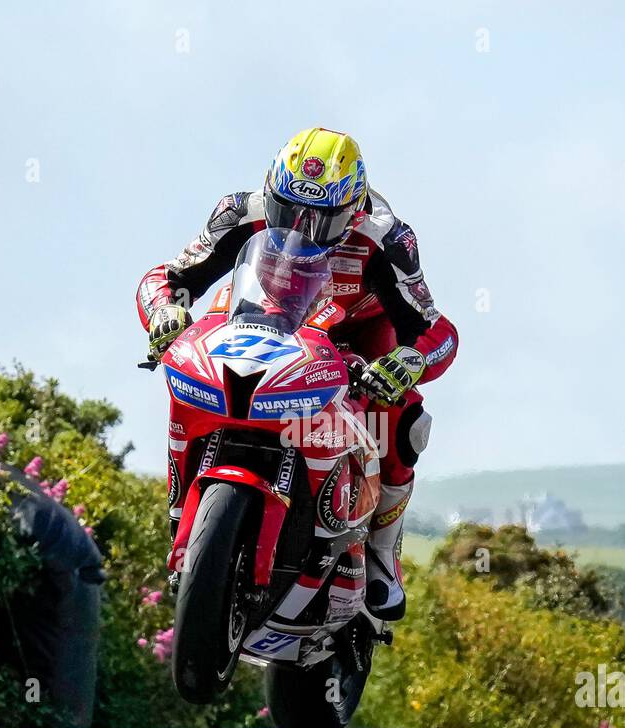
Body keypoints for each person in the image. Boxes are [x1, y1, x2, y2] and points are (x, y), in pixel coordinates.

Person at [137, 127, 458, 620]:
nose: (301, 228)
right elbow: (170, 278)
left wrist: (408, 361)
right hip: (262, 320)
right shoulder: (236, 213)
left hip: (356, 336)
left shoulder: (388, 239)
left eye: (321, 218)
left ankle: (380, 554)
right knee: (193, 370)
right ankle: (183, 507)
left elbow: (436, 330)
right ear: (269, 189)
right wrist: (164, 312)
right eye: (287, 210)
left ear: (353, 209)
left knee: (402, 422)